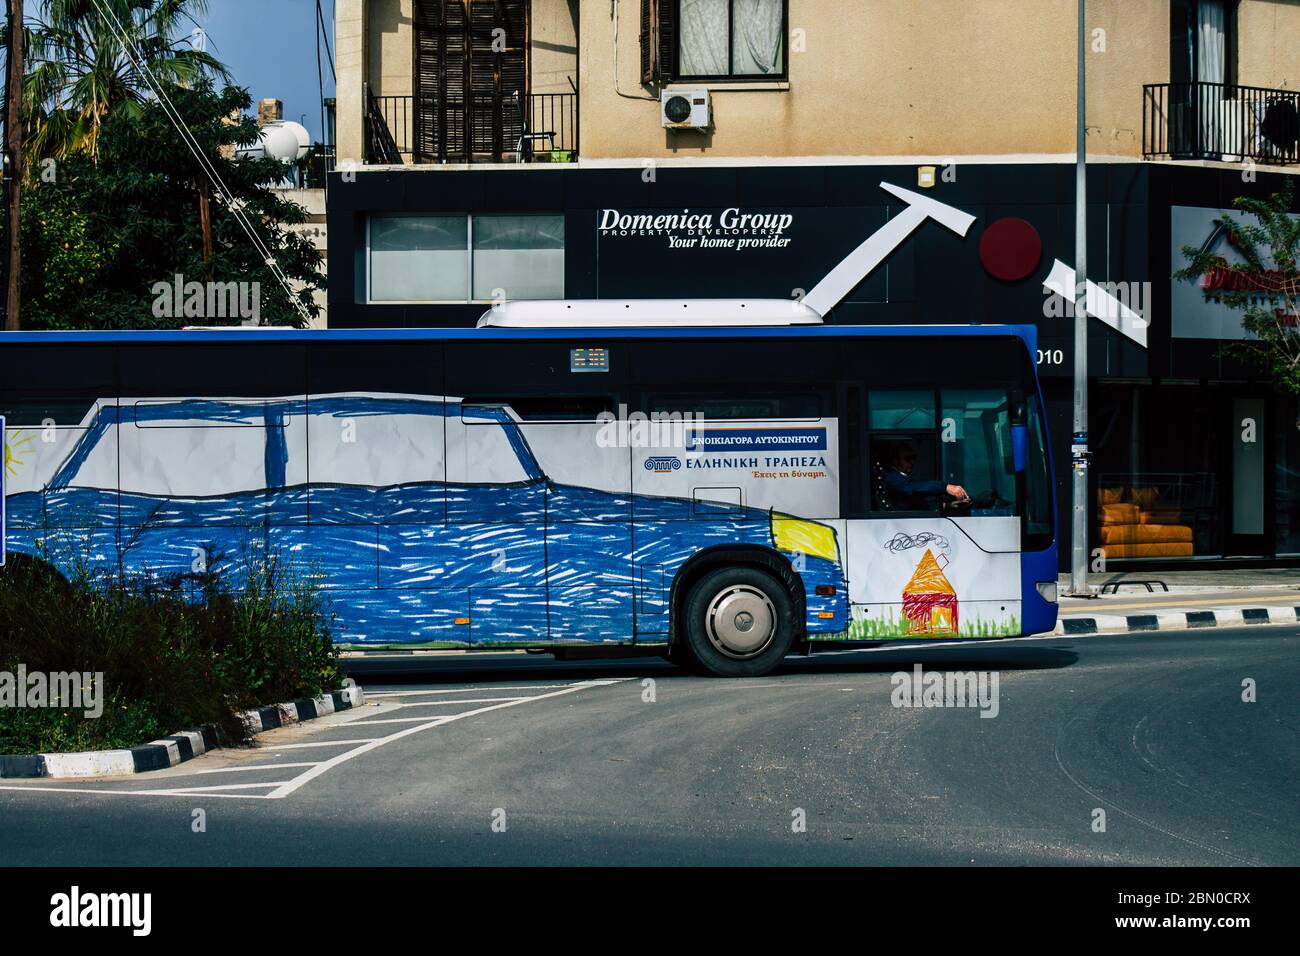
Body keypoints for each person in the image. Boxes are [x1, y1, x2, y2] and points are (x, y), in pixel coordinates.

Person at [883, 441, 969, 511]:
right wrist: (945, 487)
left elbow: (915, 504)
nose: (912, 462)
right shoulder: (892, 478)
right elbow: (913, 488)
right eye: (908, 459)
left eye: (914, 458)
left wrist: (947, 505)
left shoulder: (901, 478)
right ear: (895, 460)